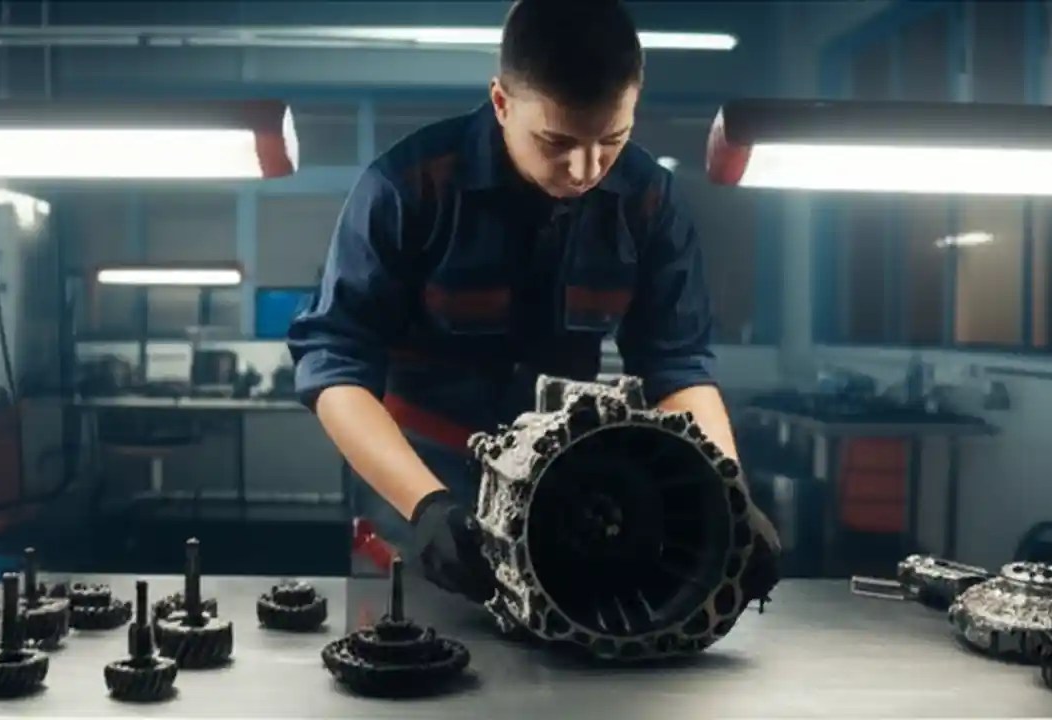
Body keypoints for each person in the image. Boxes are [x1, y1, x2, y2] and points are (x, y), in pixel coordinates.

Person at [289, 0, 745, 604]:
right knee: (403, 673)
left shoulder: (647, 202)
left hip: (564, 497)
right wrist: (426, 508)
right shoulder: (407, 188)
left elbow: (677, 366)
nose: (587, 169)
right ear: (502, 103)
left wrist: (729, 496)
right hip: (413, 491)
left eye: (613, 138)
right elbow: (334, 364)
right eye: (557, 141)